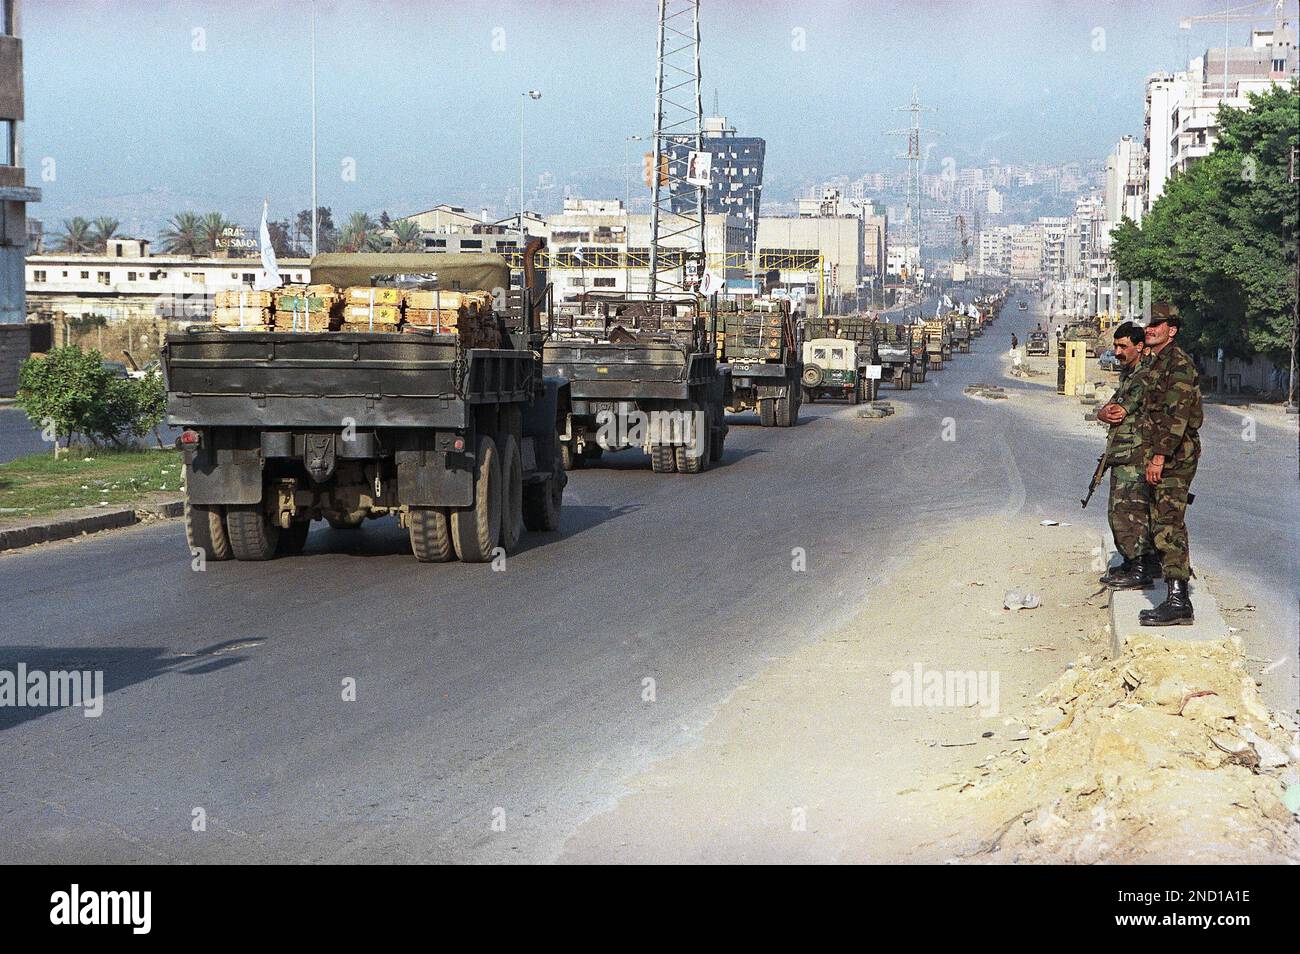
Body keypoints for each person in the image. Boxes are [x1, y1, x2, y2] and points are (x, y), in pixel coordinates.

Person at [1136, 302, 1202, 625]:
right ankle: (1175, 593)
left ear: (1171, 330)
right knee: (1161, 518)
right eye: (1148, 324)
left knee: (1168, 523)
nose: (1149, 329)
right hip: (1163, 455)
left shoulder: (1178, 365)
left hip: (1175, 457)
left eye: (1156, 324)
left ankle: (1178, 601)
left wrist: (1159, 457)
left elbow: (1176, 418)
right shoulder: (1158, 362)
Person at [1096, 322, 1157, 588]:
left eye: (1123, 347)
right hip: (1125, 453)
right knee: (1127, 512)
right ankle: (1134, 564)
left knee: (1125, 513)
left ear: (1139, 347)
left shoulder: (1142, 376)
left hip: (1135, 456)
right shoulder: (1129, 374)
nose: (1117, 352)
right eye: (1116, 346)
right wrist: (1101, 412)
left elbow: (1118, 411)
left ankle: (1140, 568)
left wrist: (1106, 411)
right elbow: (1109, 408)